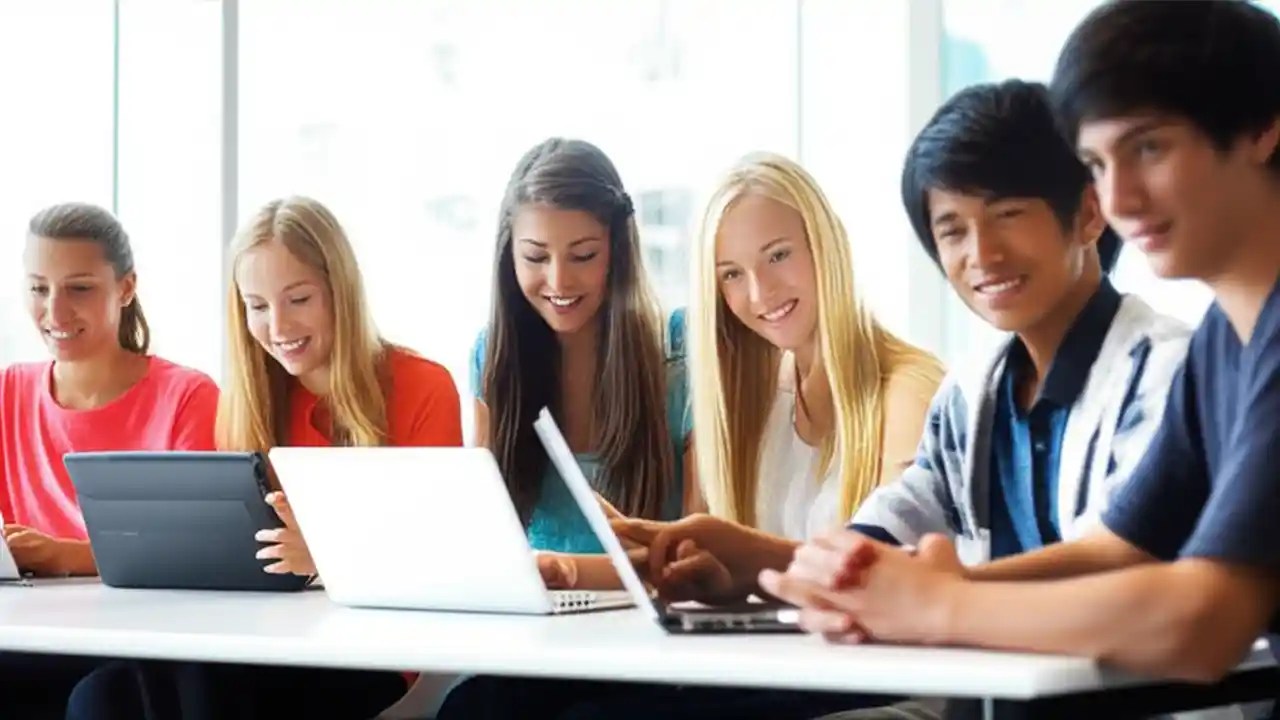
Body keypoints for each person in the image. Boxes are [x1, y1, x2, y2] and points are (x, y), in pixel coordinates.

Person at [763, 0, 1280, 703]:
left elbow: (1207, 620)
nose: (1119, 198)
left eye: (1149, 149)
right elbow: (1119, 548)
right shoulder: (1228, 337)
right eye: (1097, 163)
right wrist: (930, 585)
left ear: (1260, 128)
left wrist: (938, 607)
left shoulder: (1198, 349)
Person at [442, 152, 944, 720]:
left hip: (860, 665)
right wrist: (715, 575)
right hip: (779, 654)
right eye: (732, 274)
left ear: (826, 245)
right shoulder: (757, 388)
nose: (760, 292)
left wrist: (740, 560)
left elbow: (891, 572)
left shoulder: (907, 387)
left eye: (778, 256)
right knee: (478, 705)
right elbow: (759, 575)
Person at [812, 78, 1199, 720]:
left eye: (1007, 215)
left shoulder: (1167, 368)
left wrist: (944, 590)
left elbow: (1125, 562)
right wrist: (763, 562)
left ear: (1088, 213)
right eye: (952, 229)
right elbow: (897, 521)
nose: (981, 253)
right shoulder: (972, 390)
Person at [66, 196, 463, 719]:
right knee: (100, 696)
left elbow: (442, 558)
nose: (277, 326)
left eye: (298, 299)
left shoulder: (423, 387)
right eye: (257, 305)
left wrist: (327, 561)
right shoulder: (247, 405)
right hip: (261, 640)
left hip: (368, 655)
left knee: (204, 686)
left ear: (338, 292)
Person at [0, 202, 219, 719]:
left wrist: (66, 555)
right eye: (38, 288)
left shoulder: (186, 396)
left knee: (102, 702)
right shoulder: (8, 391)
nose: (54, 312)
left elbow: (194, 550)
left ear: (125, 288)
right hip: (27, 635)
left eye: (79, 288)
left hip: (139, 643)